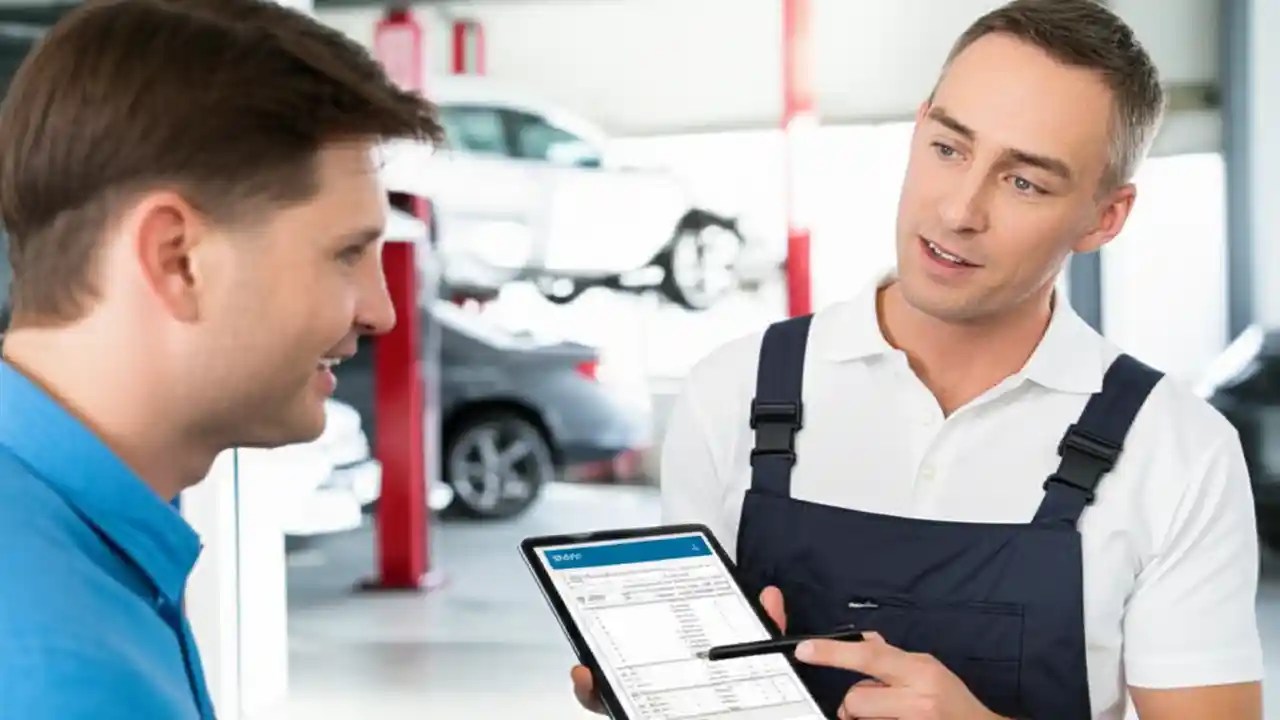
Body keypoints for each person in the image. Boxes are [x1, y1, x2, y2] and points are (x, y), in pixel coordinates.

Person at [573, 1, 1264, 718]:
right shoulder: (730, 392)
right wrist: (645, 687)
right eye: (949, 148)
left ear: (1104, 217)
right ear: (919, 125)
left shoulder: (1179, 453)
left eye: (1023, 181)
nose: (959, 210)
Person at [0, 0, 442, 717]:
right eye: (347, 253)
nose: (381, 311)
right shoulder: (62, 672)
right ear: (178, 259)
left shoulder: (79, 546)